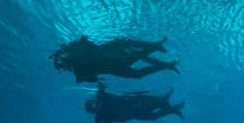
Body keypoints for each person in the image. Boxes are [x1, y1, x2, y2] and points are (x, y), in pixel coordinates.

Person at [51, 35, 179, 82]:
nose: (64, 67)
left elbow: (94, 78)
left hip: (112, 63)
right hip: (113, 65)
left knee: (135, 61)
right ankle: (164, 59)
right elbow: (94, 78)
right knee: (136, 63)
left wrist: (82, 77)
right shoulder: (78, 70)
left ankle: (158, 49)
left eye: (62, 64)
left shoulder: (77, 69)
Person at [85, 82, 185, 123]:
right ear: (94, 111)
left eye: (94, 102)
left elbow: (101, 86)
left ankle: (166, 100)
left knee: (146, 100)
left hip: (130, 104)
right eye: (94, 106)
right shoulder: (102, 116)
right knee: (151, 116)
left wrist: (100, 82)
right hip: (132, 113)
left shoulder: (101, 97)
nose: (96, 104)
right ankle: (173, 109)